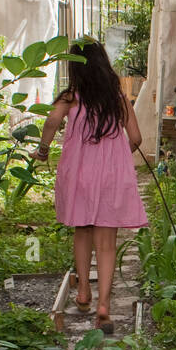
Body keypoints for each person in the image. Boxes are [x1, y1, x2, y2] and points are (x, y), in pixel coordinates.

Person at [31, 41, 147, 334]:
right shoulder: (117, 97)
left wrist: (43, 150)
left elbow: (51, 120)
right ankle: (104, 305)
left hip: (79, 175)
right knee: (107, 243)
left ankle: (83, 290)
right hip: (110, 177)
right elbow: (136, 137)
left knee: (81, 230)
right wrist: (117, 158)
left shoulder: (71, 98)